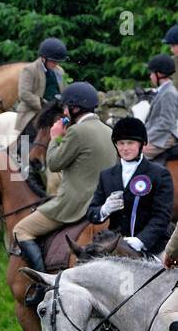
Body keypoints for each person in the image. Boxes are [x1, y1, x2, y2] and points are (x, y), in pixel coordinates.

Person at [13, 82, 115, 273]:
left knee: (21, 230)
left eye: (67, 107)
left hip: (74, 205)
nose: (65, 112)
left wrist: (54, 137)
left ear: (75, 108)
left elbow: (53, 163)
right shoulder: (109, 131)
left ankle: (41, 279)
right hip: (102, 204)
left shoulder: (76, 131)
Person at [86, 116, 172, 256]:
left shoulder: (159, 174)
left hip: (151, 246)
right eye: (121, 143)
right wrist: (104, 209)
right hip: (115, 245)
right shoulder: (106, 175)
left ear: (141, 144)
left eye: (130, 143)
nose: (125, 148)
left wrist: (141, 240)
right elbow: (91, 213)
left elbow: (162, 216)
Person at [15, 38, 69, 147]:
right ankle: (24, 156)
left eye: (57, 61)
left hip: (55, 110)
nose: (56, 64)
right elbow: (24, 93)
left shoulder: (59, 71)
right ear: (43, 58)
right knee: (28, 135)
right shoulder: (30, 69)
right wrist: (44, 105)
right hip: (34, 110)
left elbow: (64, 91)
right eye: (53, 61)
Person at [142, 54, 177, 162]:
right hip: (160, 133)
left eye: (152, 73)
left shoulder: (169, 93)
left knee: (135, 153)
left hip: (166, 137)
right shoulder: (163, 91)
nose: (150, 76)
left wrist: (146, 137)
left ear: (159, 74)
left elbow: (166, 122)